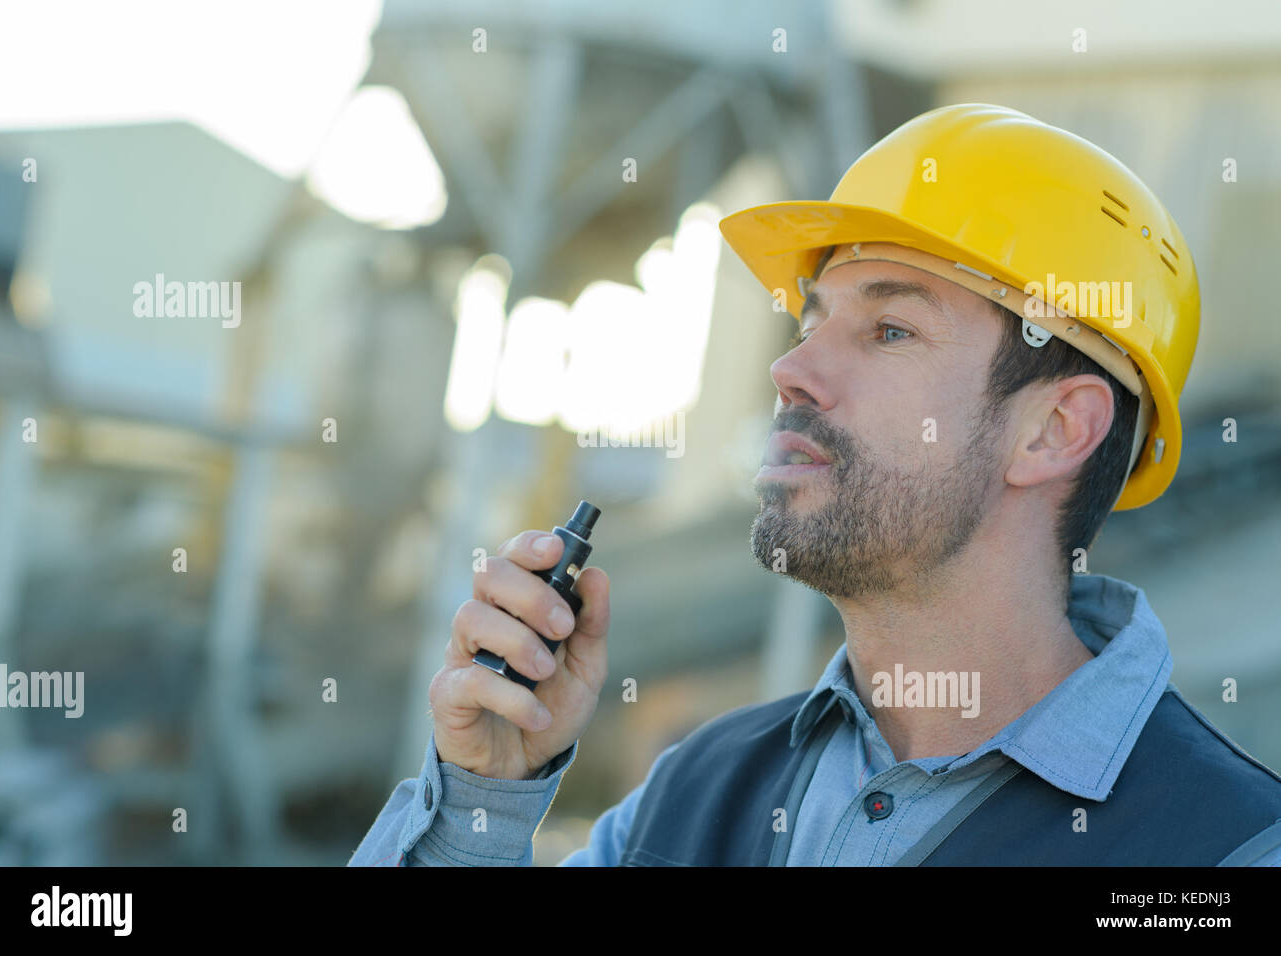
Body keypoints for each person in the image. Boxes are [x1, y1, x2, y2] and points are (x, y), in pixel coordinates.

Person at [349, 103, 1281, 866]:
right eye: (813, 319)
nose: (791, 370)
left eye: (890, 332)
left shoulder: (1223, 852)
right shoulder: (694, 799)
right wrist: (480, 803)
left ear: (1053, 430)